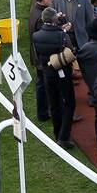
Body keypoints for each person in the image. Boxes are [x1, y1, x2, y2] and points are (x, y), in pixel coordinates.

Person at [33, 8, 77, 148]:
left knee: (54, 104)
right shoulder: (61, 36)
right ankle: (64, 136)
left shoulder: (36, 36)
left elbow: (38, 55)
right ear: (54, 19)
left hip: (47, 73)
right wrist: (65, 31)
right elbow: (71, 51)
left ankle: (57, 134)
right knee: (69, 103)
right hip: (62, 73)